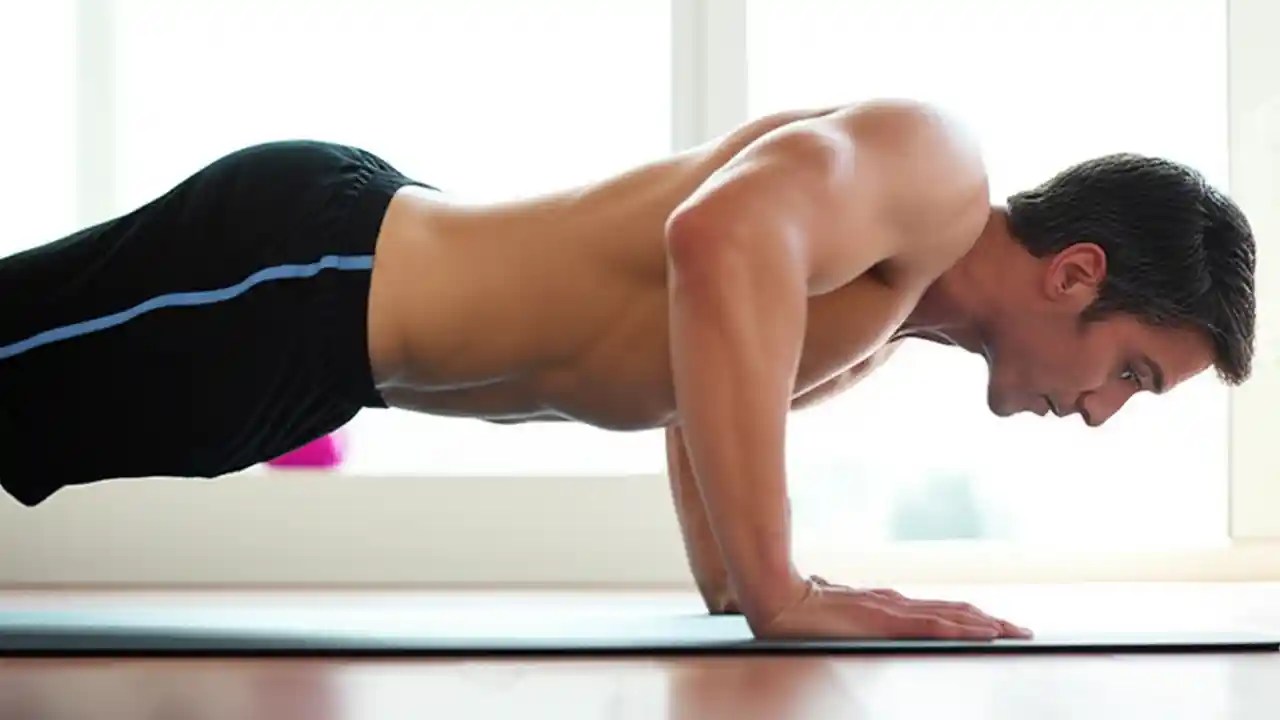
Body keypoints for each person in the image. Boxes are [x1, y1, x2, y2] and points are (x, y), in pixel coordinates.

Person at [0, 99, 1255, 642]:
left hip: (314, 350)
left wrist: (733, 590)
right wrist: (780, 590)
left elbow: (697, 376)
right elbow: (715, 239)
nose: (1097, 415)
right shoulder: (932, 169)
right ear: (1075, 274)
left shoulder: (885, 310)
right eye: (1131, 375)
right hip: (303, 276)